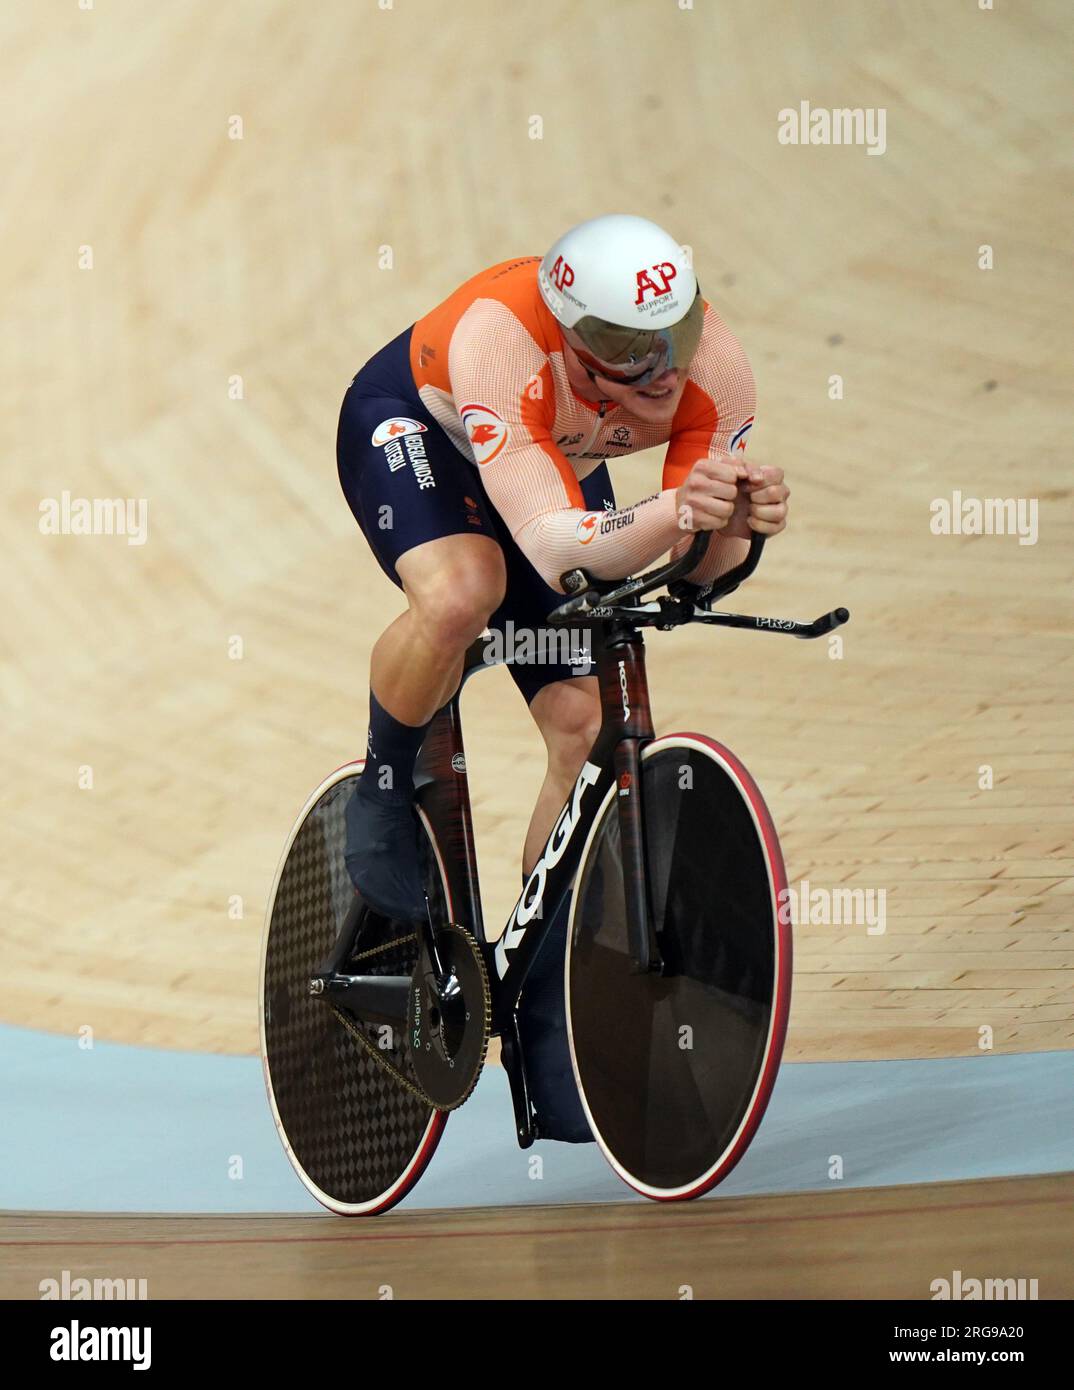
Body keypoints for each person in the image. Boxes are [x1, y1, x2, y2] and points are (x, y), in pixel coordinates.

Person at [336, 213, 789, 1141]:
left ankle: (537, 996)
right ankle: (384, 788)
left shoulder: (718, 365)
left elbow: (695, 571)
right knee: (467, 592)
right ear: (573, 337)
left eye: (677, 331)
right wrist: (676, 509)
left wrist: (733, 521)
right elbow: (550, 550)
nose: (664, 366)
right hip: (421, 436)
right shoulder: (501, 338)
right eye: (628, 347)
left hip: (545, 466)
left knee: (585, 730)